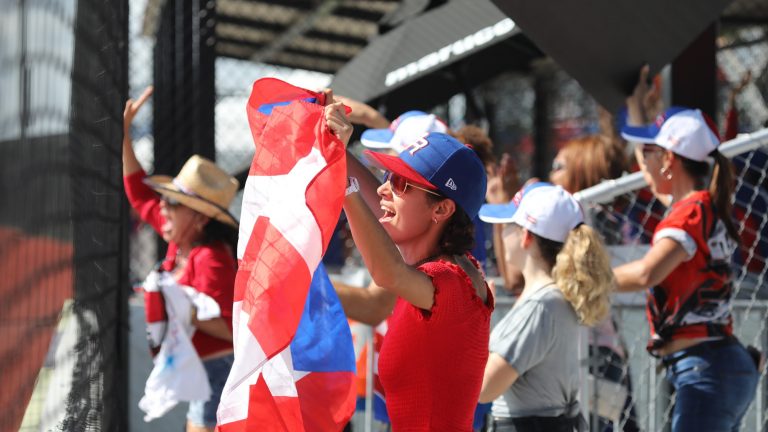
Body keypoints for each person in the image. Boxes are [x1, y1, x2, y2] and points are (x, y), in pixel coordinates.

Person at [324, 95, 494, 431]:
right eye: (387, 176)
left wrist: (343, 185)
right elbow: (381, 208)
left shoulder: (450, 279)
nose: (385, 188)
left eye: (400, 183)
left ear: (442, 210)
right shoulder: (442, 258)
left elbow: (387, 274)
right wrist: (335, 149)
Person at [614, 75, 759, 430]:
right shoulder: (702, 207)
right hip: (713, 364)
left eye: (652, 152)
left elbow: (649, 273)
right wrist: (636, 109)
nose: (644, 163)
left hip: (706, 367)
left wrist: (582, 279)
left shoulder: (688, 215)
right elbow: (653, 175)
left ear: (668, 159)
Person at [123, 87, 238, 432]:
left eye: (173, 202)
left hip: (219, 370)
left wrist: (184, 311)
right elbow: (139, 193)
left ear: (201, 218)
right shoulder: (182, 242)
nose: (161, 206)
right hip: (200, 368)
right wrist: (124, 137)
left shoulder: (211, 259)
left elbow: (236, 332)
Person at [478, 183, 613, 432]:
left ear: (525, 236)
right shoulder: (553, 298)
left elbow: (484, 387)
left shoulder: (541, 305)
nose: (502, 232)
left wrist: (472, 321)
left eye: (509, 225)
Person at [549, 135, 639, 432]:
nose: (552, 174)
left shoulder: (588, 221)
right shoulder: (600, 220)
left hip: (594, 354)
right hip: (588, 351)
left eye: (559, 165)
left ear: (582, 170)